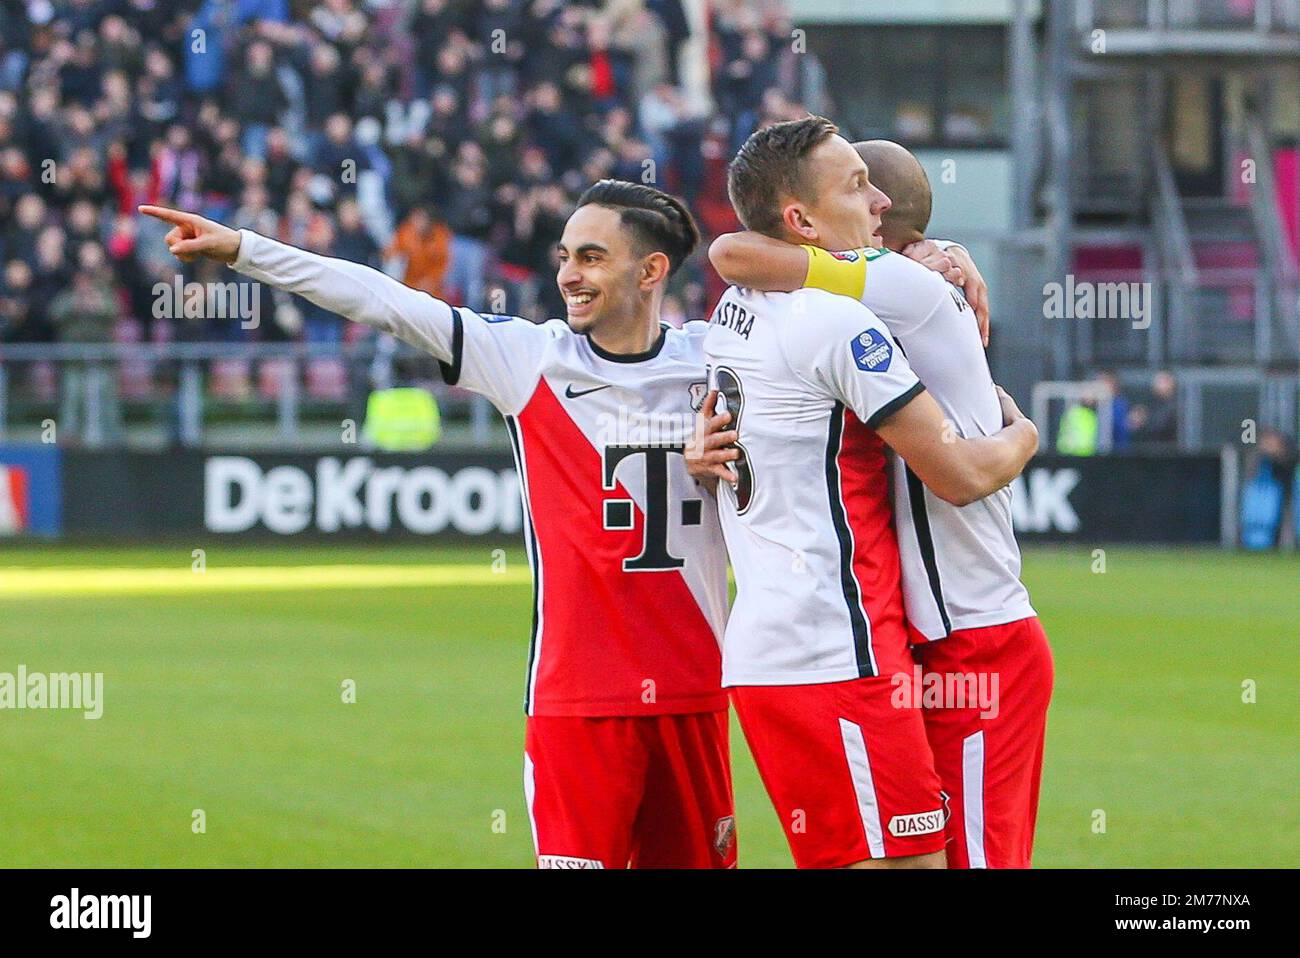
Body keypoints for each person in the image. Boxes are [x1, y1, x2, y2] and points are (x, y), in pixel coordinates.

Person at [138, 180, 737, 870]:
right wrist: (246, 250)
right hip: (578, 701)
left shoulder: (719, 364)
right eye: (566, 255)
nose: (568, 274)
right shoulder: (528, 358)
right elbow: (383, 300)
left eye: (593, 257)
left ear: (652, 269)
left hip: (695, 692)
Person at [689, 117, 1039, 868]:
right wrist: (1026, 435)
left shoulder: (878, 291)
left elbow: (731, 253)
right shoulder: (852, 303)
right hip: (873, 643)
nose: (873, 199)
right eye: (858, 185)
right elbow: (733, 251)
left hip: (971, 637)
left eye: (875, 189)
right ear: (807, 218)